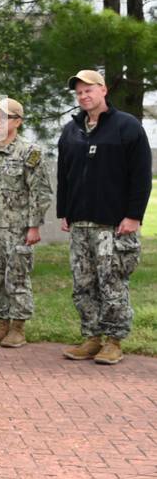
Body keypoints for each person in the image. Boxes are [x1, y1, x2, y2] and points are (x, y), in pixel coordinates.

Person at [57, 69, 152, 365]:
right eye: (79, 92)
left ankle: (113, 341)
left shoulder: (127, 126)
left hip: (114, 224)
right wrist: (64, 211)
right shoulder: (71, 130)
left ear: (103, 90)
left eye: (89, 90)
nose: (84, 96)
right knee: (83, 283)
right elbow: (65, 175)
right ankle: (91, 337)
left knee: (112, 283)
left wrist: (134, 216)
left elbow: (141, 176)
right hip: (80, 222)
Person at [0, 98, 52, 348]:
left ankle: (18, 327)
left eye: (4, 116)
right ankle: (1, 324)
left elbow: (40, 191)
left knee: (16, 277)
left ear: (17, 121)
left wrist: (34, 226)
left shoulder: (30, 151)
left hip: (16, 227)